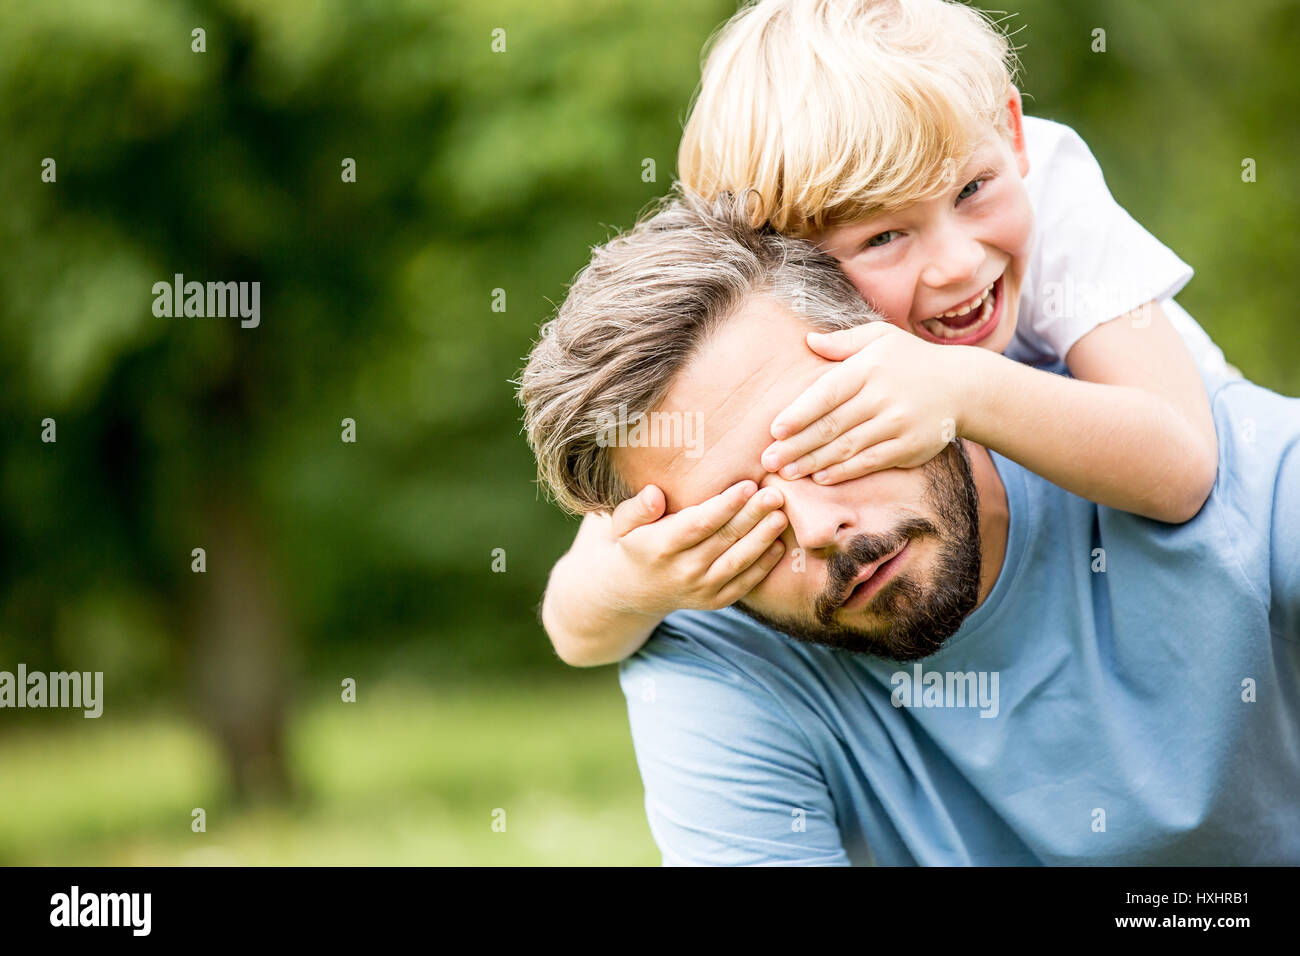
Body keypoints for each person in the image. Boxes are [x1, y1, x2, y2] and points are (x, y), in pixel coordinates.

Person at [517, 191, 1300, 865]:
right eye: (742, 516)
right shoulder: (716, 666)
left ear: (903, 349)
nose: (823, 528)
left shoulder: (1239, 475)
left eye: (825, 437)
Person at [541, 0, 1239, 667]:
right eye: (883, 237)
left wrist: (965, 391)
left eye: (972, 190)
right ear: (787, 255)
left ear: (1012, 133)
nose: (961, 262)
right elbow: (577, 632)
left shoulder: (1051, 194)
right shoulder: (764, 328)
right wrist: (629, 588)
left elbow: (1181, 470)